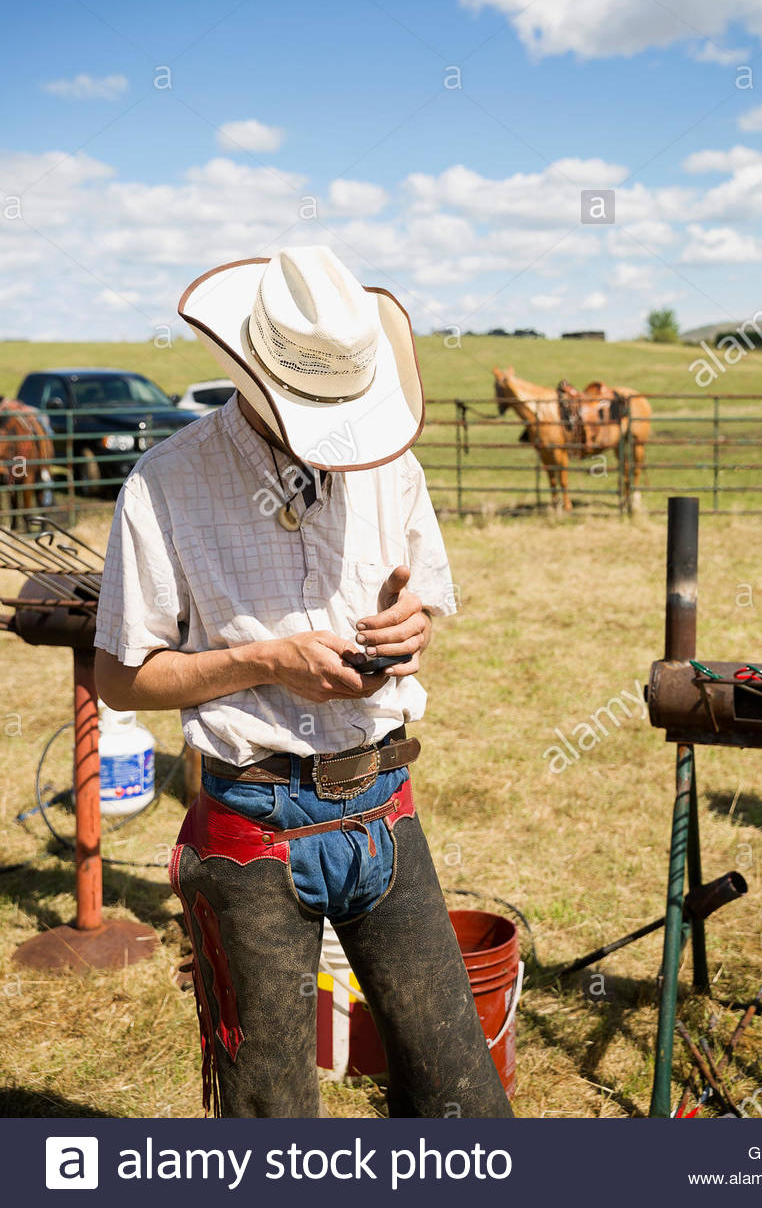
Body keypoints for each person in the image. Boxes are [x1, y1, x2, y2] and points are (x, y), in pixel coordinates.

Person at [94, 246, 512, 1119]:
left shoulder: (391, 461)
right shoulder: (166, 484)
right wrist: (266, 661)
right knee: (270, 1113)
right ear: (252, 373)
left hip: (383, 806)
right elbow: (122, 679)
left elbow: (424, 599)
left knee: (461, 1097)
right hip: (253, 825)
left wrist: (414, 625)